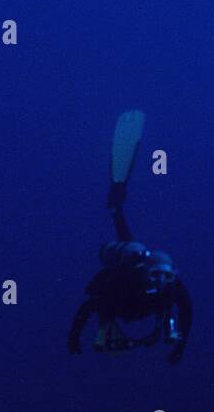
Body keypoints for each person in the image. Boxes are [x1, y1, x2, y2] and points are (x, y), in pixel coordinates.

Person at [68, 112, 192, 361]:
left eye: (166, 276)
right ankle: (116, 206)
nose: (161, 281)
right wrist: (75, 334)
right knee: (129, 243)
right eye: (157, 274)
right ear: (146, 271)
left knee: (129, 238)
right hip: (120, 303)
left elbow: (187, 312)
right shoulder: (126, 277)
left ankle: (116, 206)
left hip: (135, 308)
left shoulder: (171, 289)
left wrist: (180, 346)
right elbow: (90, 305)